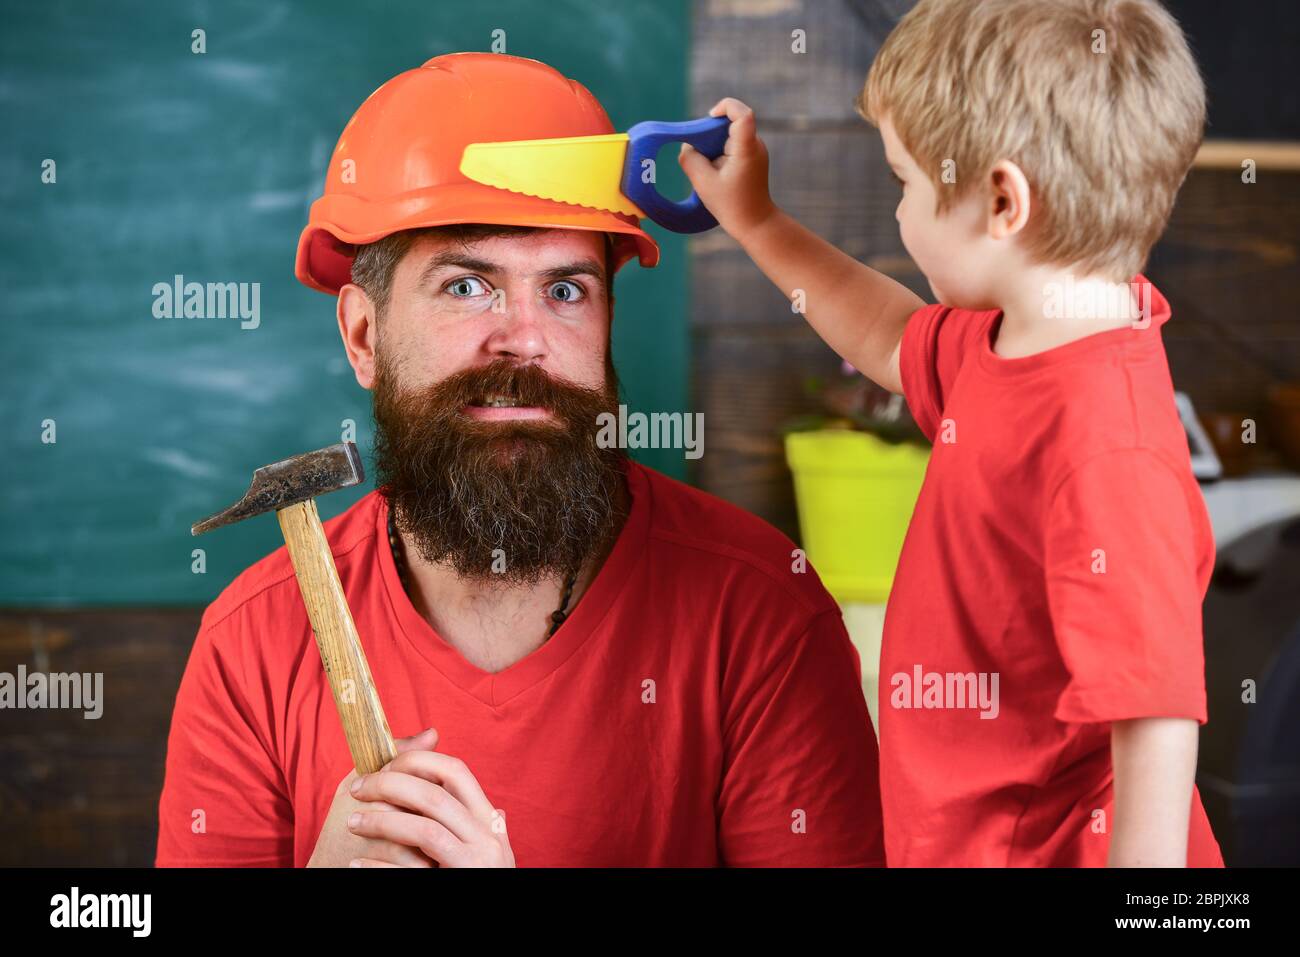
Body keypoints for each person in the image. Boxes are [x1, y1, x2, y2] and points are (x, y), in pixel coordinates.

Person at [155, 52, 884, 868]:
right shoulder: (254, 640)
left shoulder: (762, 613)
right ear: (364, 336)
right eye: (467, 286)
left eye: (567, 289)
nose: (526, 339)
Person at [680, 0, 1223, 866]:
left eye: (904, 181)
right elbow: (888, 336)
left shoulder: (1107, 446)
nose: (898, 213)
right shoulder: (1022, 338)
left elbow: (1155, 718)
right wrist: (758, 222)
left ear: (1003, 200)